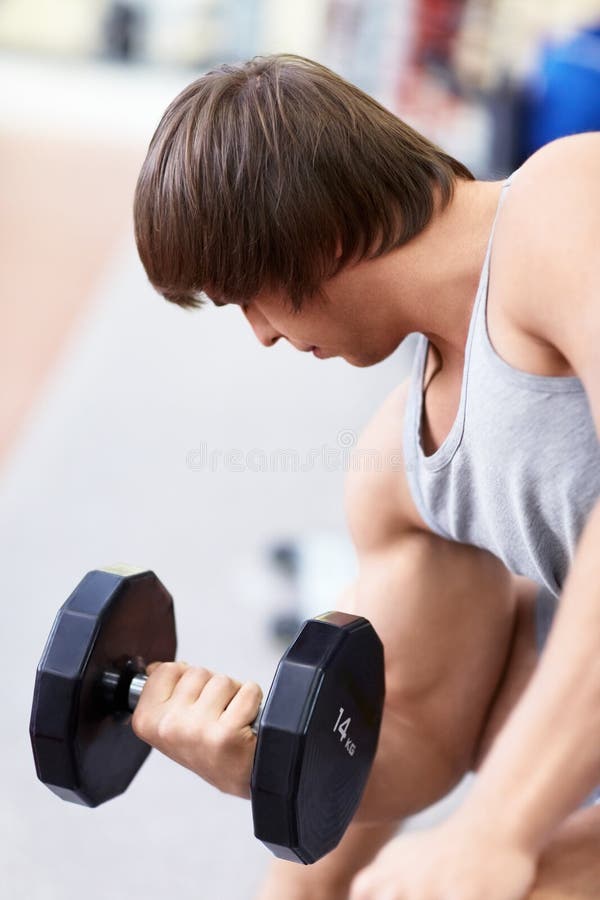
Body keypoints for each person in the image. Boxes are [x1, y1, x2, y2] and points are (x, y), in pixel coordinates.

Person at [131, 54, 600, 899]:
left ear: (321, 233)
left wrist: (497, 832)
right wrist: (266, 760)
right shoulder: (400, 468)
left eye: (249, 294)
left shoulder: (565, 202)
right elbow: (417, 730)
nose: (263, 336)